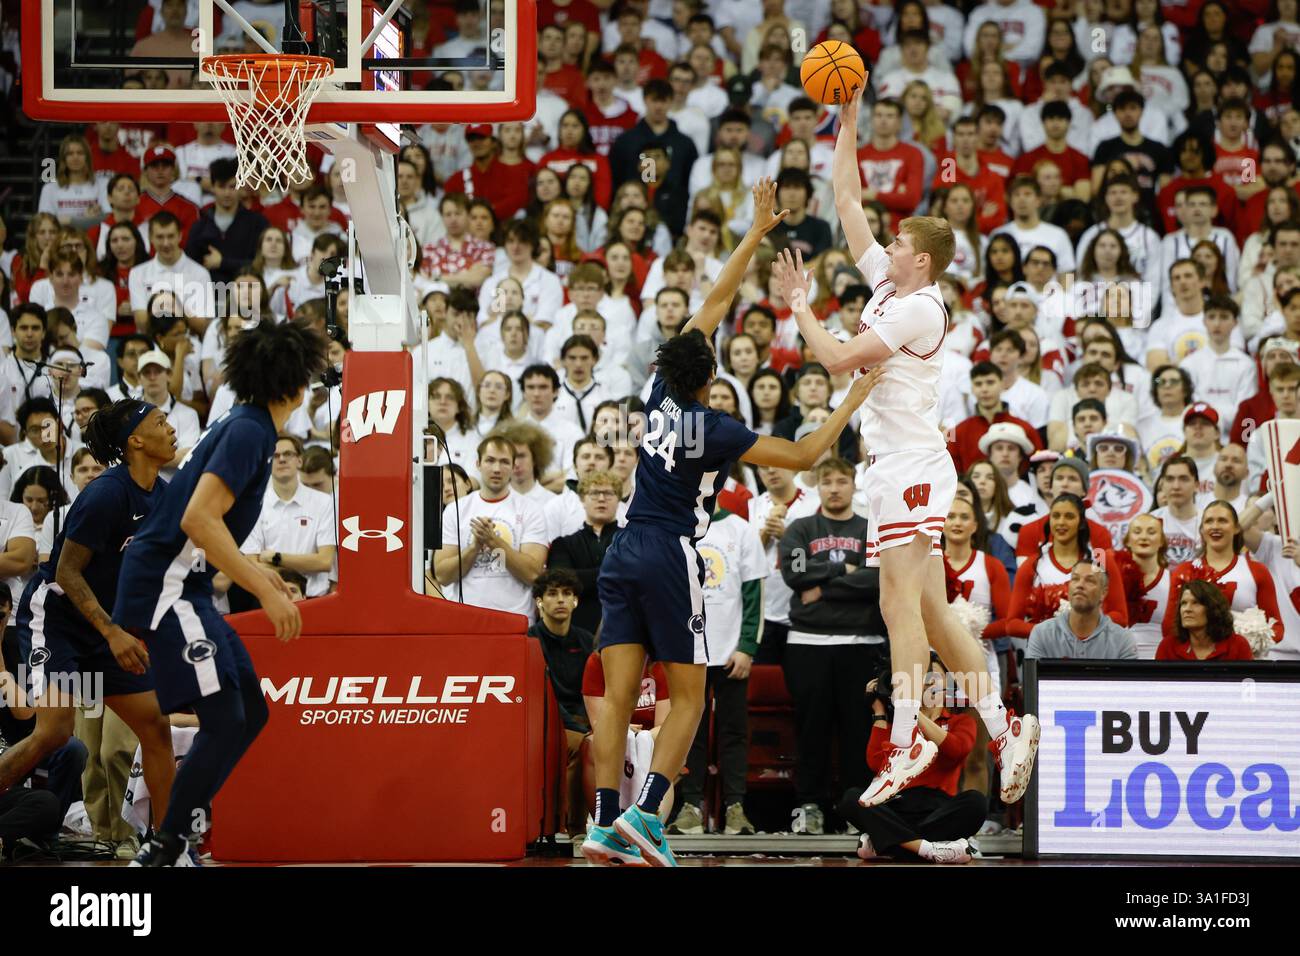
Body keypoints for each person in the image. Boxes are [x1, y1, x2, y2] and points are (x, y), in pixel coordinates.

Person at [583, 179, 877, 867]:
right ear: (710, 373)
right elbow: (805, 454)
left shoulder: (653, 395)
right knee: (691, 698)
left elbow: (712, 303)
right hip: (670, 553)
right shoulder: (715, 428)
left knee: (622, 700)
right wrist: (852, 397)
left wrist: (751, 233)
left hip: (624, 549)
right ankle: (647, 819)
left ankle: (602, 823)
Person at [777, 84, 1039, 813]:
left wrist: (801, 306)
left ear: (922, 261)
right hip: (892, 467)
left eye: (898, 244)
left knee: (897, 608)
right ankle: (1006, 724)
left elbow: (833, 360)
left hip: (915, 466)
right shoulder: (889, 288)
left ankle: (903, 744)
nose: (884, 246)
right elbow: (848, 203)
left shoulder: (923, 304)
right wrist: (847, 125)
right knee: (930, 614)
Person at [113, 319, 328, 866]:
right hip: (166, 584)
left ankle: (172, 839)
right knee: (226, 719)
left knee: (250, 714)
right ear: (297, 387)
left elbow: (207, 525)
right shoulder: (252, 432)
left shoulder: (244, 423)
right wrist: (267, 590)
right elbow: (197, 519)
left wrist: (263, 573)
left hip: (188, 583)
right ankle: (164, 847)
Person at [0, 399, 180, 858]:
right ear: (136, 440)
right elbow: (65, 571)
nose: (171, 427)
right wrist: (112, 631)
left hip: (106, 624)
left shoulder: (161, 494)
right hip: (57, 618)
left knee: (156, 730)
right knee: (56, 733)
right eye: (160, 421)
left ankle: (166, 846)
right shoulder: (105, 493)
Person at [776, 457, 885, 835]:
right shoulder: (801, 528)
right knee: (811, 729)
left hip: (863, 643)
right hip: (809, 642)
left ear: (854, 484)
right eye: (828, 482)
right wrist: (848, 570)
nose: (835, 488)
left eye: (842, 481)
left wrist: (823, 585)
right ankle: (810, 806)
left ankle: (856, 807)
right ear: (817, 487)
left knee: (859, 730)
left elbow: (878, 580)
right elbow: (795, 574)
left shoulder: (872, 528)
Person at [837, 655, 987, 864]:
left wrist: (912, 709)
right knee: (853, 798)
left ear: (948, 683)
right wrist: (879, 712)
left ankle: (887, 844)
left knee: (976, 802)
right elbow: (876, 764)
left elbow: (956, 750)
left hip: (939, 809)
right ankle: (929, 849)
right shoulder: (899, 723)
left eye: (936, 676)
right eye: (924, 677)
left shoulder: (962, 721)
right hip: (897, 806)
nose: (930, 681)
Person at [673, 503, 765, 836]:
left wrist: (747, 647)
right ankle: (691, 805)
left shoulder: (740, 529)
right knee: (688, 733)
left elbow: (754, 592)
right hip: (687, 650)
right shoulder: (676, 526)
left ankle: (735, 807)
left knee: (734, 731)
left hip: (730, 652)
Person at [433, 435, 548, 619]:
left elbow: (533, 574)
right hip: (465, 619)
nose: (497, 469)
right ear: (478, 464)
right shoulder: (456, 509)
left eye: (504, 462)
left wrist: (493, 540)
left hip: (515, 619)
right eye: (490, 460)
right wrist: (474, 547)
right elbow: (443, 575)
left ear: (513, 467)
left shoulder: (531, 510)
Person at [527, 568, 594, 839]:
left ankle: (617, 825)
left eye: (567, 594)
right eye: (552, 594)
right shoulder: (531, 640)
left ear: (576, 601)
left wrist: (593, 723)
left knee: (610, 742)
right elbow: (545, 694)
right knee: (582, 745)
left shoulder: (587, 640)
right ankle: (572, 829)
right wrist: (580, 727)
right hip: (544, 722)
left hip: (583, 720)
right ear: (539, 601)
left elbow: (594, 690)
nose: (561, 600)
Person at [1162, 501, 1284, 646]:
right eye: (1209, 521)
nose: (1215, 527)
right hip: (1198, 663)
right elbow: (1169, 627)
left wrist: (1250, 641)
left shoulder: (1257, 571)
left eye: (1222, 521)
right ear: (1201, 530)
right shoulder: (1184, 571)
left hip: (1242, 663)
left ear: (1237, 528)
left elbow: (1277, 628)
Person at [236, 434, 337, 600]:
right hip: (270, 599)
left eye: (288, 454)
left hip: (315, 600)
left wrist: (275, 557)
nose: (282, 459)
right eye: (275, 456)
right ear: (267, 462)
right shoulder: (254, 506)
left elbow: (324, 561)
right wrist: (304, 564)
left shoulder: (324, 502)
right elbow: (252, 565)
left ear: (299, 460)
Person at [547, 470, 621, 635]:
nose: (601, 499)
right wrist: (615, 572)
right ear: (582, 498)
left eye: (609, 493)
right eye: (594, 493)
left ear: (618, 499)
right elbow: (562, 582)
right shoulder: (563, 544)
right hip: (575, 631)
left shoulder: (632, 541)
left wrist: (582, 577)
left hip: (623, 628)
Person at [1025, 560, 1139, 660]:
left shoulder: (1123, 641)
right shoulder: (1041, 634)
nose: (1080, 585)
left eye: (1089, 581)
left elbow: (1128, 684)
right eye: (1075, 579)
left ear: (1103, 593)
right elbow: (1033, 682)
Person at [1113, 514, 1174, 660]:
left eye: (1151, 532)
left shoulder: (1172, 580)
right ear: (1127, 540)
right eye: (1137, 531)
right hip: (1118, 660)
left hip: (1160, 663)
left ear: (1161, 541)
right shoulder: (1113, 578)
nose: (1144, 537)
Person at [1156, 579, 1254, 660]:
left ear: (1213, 608)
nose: (1187, 609)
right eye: (1184, 603)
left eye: (1196, 603)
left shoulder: (1238, 645)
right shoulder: (1168, 646)